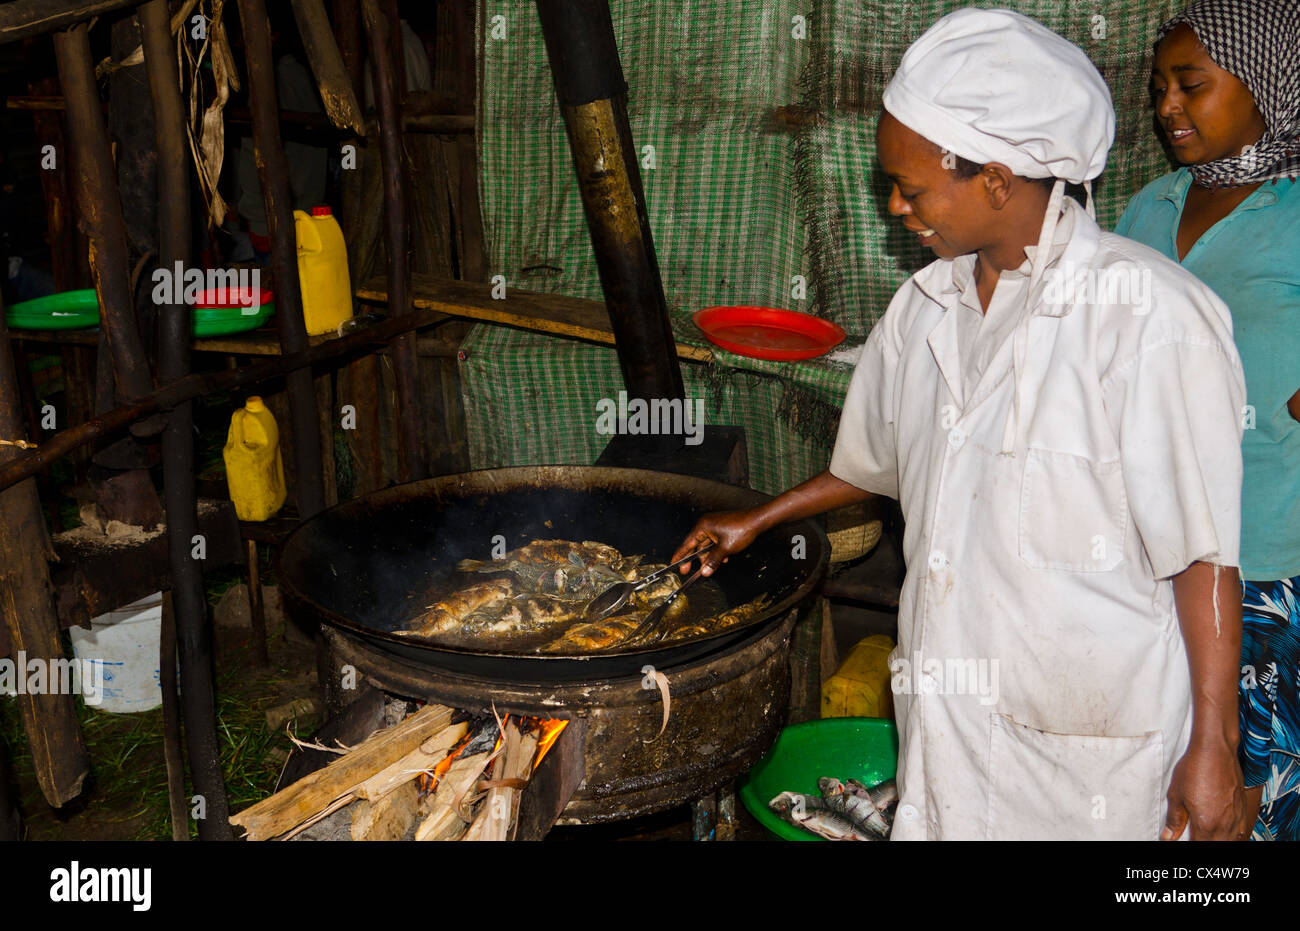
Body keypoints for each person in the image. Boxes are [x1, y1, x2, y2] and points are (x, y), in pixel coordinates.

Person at [673, 8, 1251, 840]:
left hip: (1085, 761)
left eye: (911, 189)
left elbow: (1202, 559)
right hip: (945, 740)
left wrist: (1214, 745)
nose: (898, 209)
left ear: (997, 179)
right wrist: (753, 519)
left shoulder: (1148, 317)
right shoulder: (925, 307)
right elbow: (882, 460)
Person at [1114, 0, 1300, 841]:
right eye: (1159, 88)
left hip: (1264, 559)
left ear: (1269, 87)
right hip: (1146, 555)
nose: (1166, 107)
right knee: (1161, 797)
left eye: (1193, 84)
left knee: (1246, 805)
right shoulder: (1149, 209)